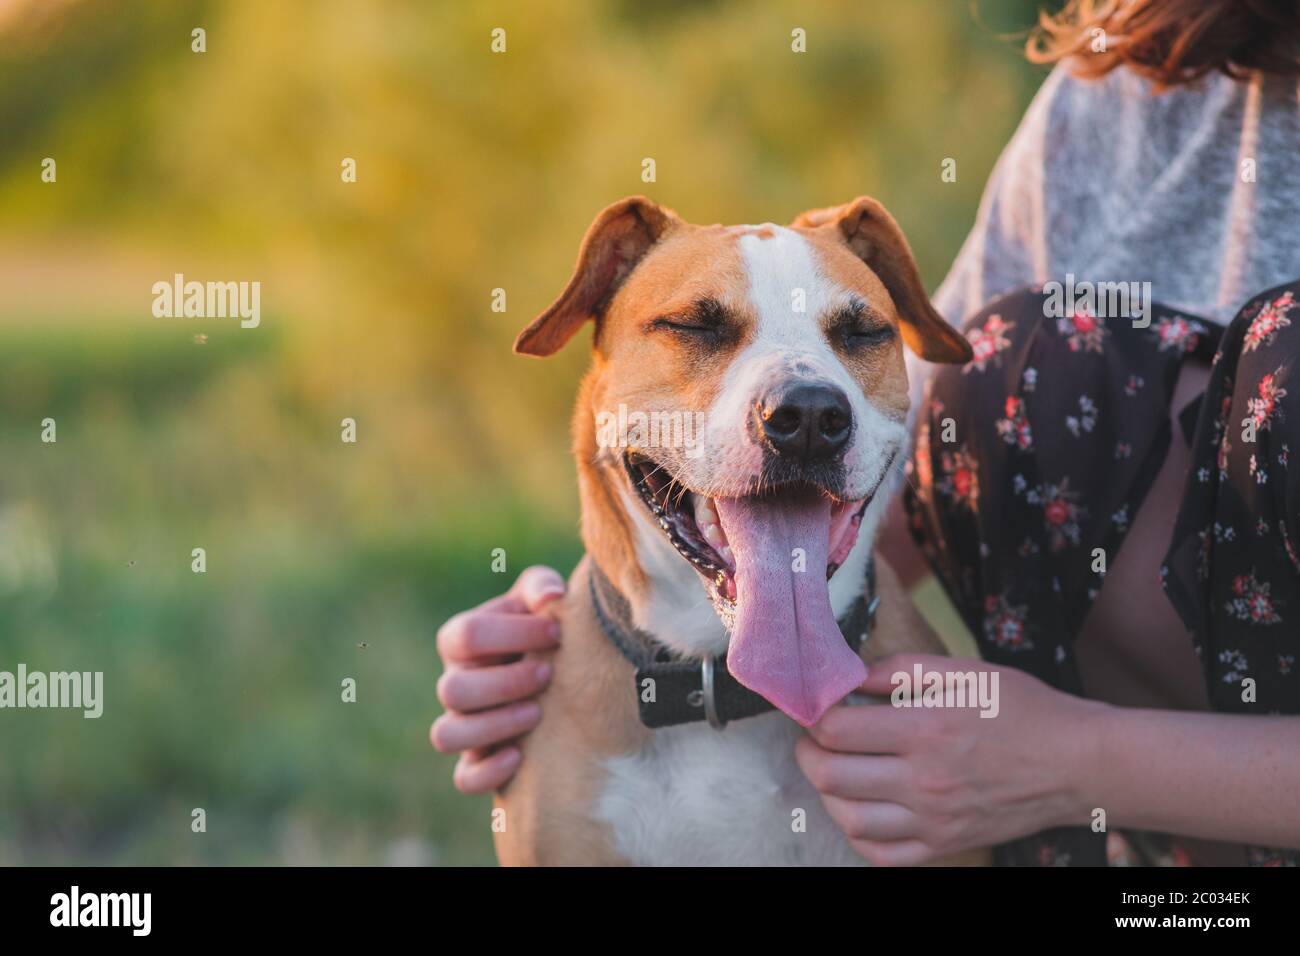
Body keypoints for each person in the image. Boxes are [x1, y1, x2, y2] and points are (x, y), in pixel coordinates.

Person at [431, 0, 1300, 865]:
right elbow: (925, 442)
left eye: (853, 335)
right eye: (700, 328)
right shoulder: (1135, 62)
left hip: (1134, 828)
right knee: (1023, 358)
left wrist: (1079, 760)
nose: (805, 401)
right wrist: (547, 634)